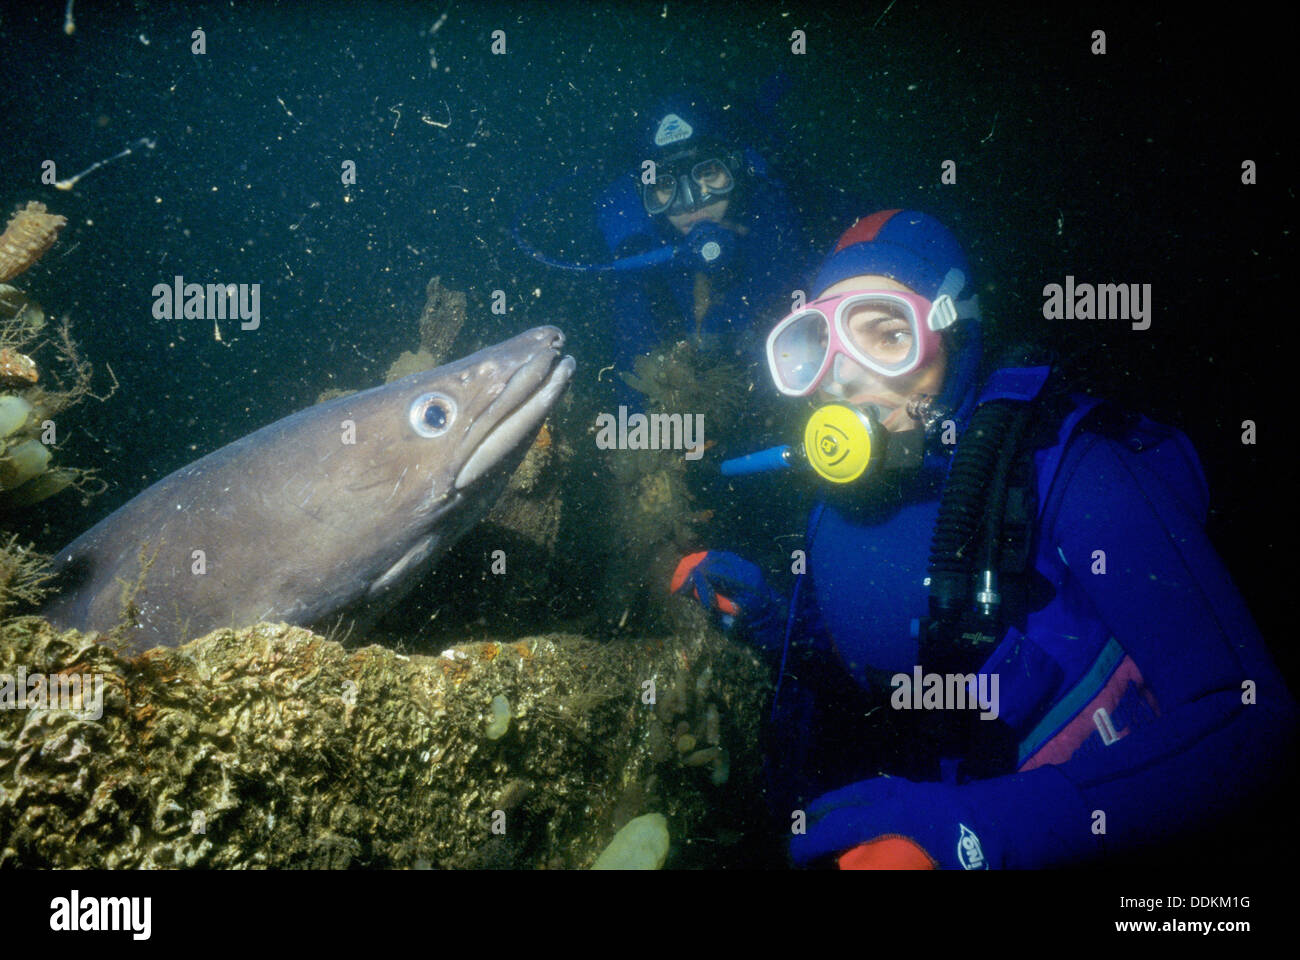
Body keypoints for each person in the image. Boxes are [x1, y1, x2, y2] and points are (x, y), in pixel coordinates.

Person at [675, 209, 1297, 868]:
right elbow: (892, 675)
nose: (842, 378)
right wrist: (774, 622)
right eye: (813, 348)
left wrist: (975, 834)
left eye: (886, 334)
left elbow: (1254, 722)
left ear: (957, 330)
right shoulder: (833, 516)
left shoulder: (1067, 468)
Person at [596, 98, 812, 391]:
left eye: (709, 173)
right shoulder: (643, 269)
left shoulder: (782, 225)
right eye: (665, 185)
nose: (691, 202)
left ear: (736, 169)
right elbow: (632, 373)